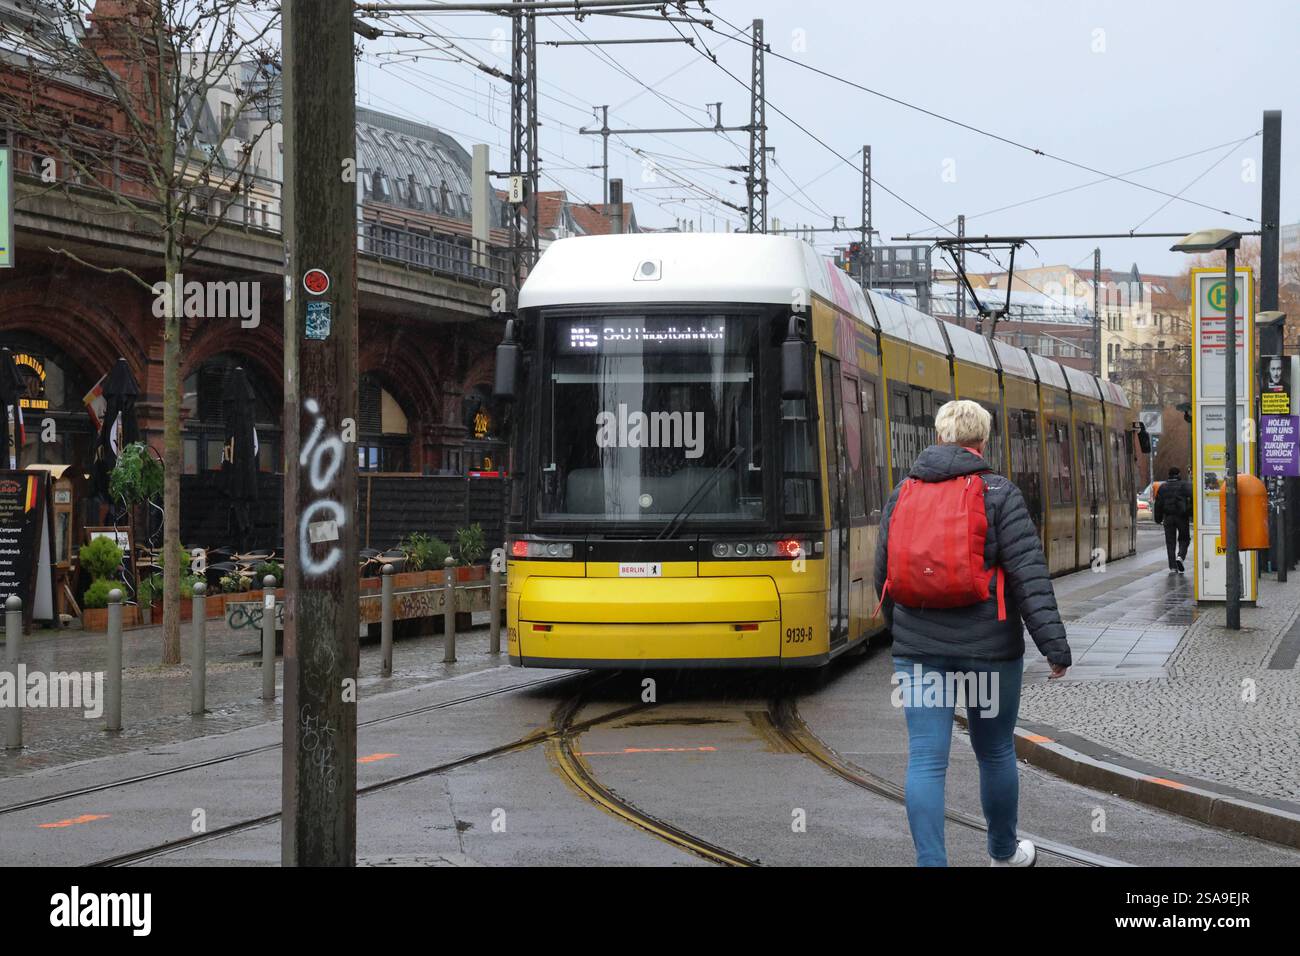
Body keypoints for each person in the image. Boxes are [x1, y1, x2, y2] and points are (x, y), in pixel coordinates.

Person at [874, 399, 1070, 868]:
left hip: (919, 653)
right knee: (996, 751)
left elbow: (885, 573)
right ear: (982, 443)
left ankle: (932, 862)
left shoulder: (903, 491)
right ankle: (1003, 853)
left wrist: (902, 635)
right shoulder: (999, 492)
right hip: (991, 652)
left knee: (925, 760)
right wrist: (1054, 648)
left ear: (939, 437)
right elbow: (1029, 576)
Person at [1153, 466, 1193, 573]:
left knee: (1170, 542)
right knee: (1184, 539)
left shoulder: (1163, 487)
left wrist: (1158, 519)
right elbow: (1193, 498)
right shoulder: (1185, 486)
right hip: (1182, 517)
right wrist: (1190, 512)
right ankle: (1180, 556)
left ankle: (1172, 567)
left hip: (1168, 518)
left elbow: (1158, 504)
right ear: (1179, 474)